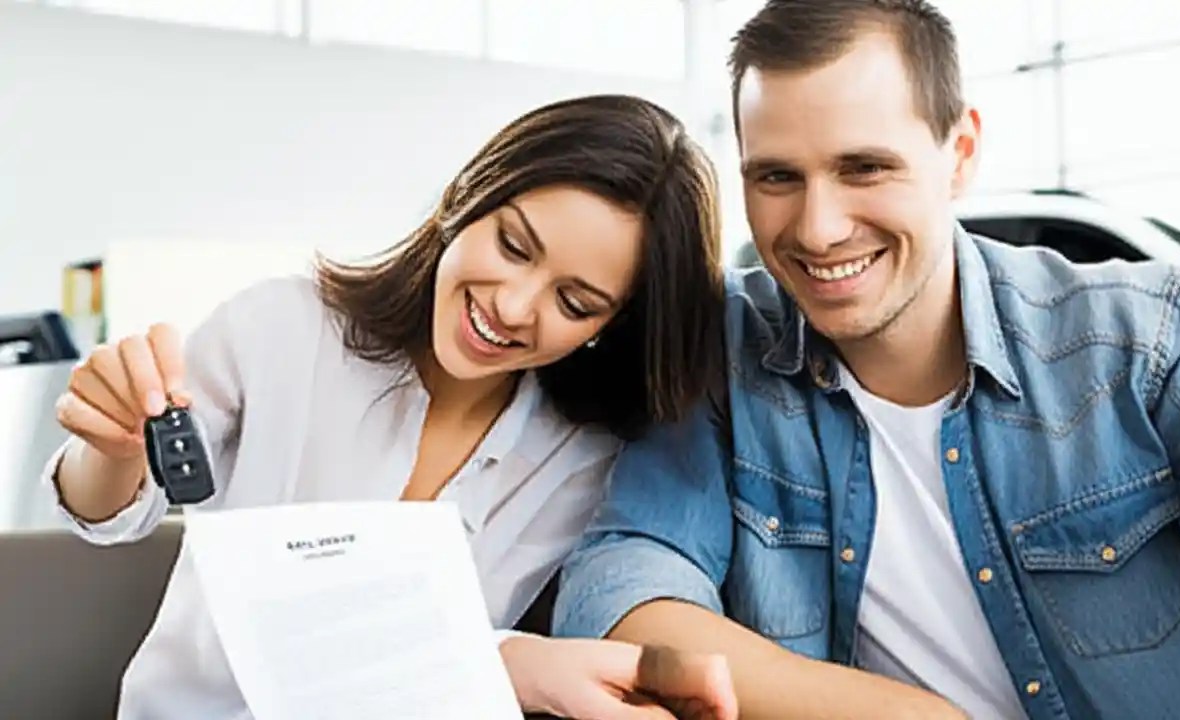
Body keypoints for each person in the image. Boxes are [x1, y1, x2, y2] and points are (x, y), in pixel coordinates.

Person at [552, 2, 1180, 719]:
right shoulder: (723, 351)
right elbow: (620, 599)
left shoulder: (1148, 336)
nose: (819, 228)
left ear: (959, 152)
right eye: (776, 177)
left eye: (864, 168)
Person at [46, 94, 737, 720]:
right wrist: (110, 447)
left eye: (575, 303)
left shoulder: (584, 457)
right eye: (513, 245)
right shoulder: (283, 329)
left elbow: (431, 658)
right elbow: (112, 516)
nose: (513, 306)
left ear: (609, 326)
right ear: (468, 197)